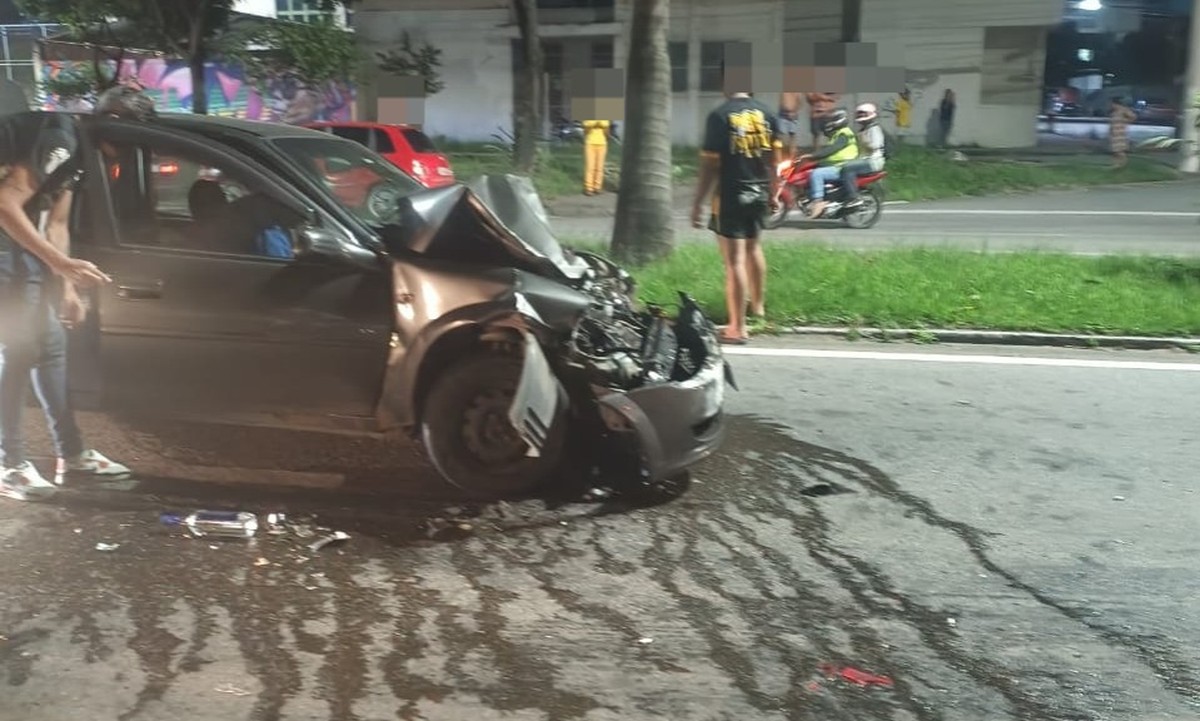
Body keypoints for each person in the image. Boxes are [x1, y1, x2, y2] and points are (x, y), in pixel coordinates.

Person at [0, 84, 155, 502]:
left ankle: (71, 453)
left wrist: (66, 285)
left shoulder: (83, 156)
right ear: (116, 123)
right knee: (18, 351)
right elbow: (5, 203)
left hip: (19, 245)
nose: (129, 151)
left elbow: (57, 225)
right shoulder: (61, 137)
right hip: (4, 246)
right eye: (132, 137)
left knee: (51, 345)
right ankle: (8, 463)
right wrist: (60, 263)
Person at [690, 85, 783, 345]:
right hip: (759, 191)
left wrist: (698, 202)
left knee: (734, 262)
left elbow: (709, 165)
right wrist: (774, 193)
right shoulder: (767, 114)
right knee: (754, 249)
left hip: (731, 193)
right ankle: (758, 309)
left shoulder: (720, 116)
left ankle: (737, 328)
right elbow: (774, 160)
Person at [799, 108, 858, 220]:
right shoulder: (836, 134)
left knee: (817, 174)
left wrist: (812, 156)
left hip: (841, 166)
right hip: (835, 165)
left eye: (832, 120)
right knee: (810, 171)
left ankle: (818, 202)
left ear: (839, 120)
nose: (830, 123)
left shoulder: (844, 133)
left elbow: (831, 150)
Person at [840, 102, 886, 209]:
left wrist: (865, 142)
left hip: (873, 161)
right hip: (866, 159)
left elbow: (875, 145)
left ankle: (853, 197)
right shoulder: (863, 130)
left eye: (863, 114)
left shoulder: (874, 128)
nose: (861, 116)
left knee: (847, 168)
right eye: (859, 114)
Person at [581, 118, 612, 196]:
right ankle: (589, 188)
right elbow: (585, 131)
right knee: (590, 166)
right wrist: (594, 125)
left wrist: (602, 128)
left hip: (602, 144)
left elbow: (607, 130)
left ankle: (597, 187)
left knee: (600, 167)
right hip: (590, 143)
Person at [1109, 97, 1137, 169]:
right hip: (1114, 132)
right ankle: (1117, 164)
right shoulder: (1114, 112)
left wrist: (1126, 122)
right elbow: (1112, 122)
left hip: (1120, 132)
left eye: (1112, 104)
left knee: (1119, 149)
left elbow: (1133, 116)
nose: (1111, 106)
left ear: (1116, 104)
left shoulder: (1124, 110)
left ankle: (1123, 163)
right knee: (1115, 150)